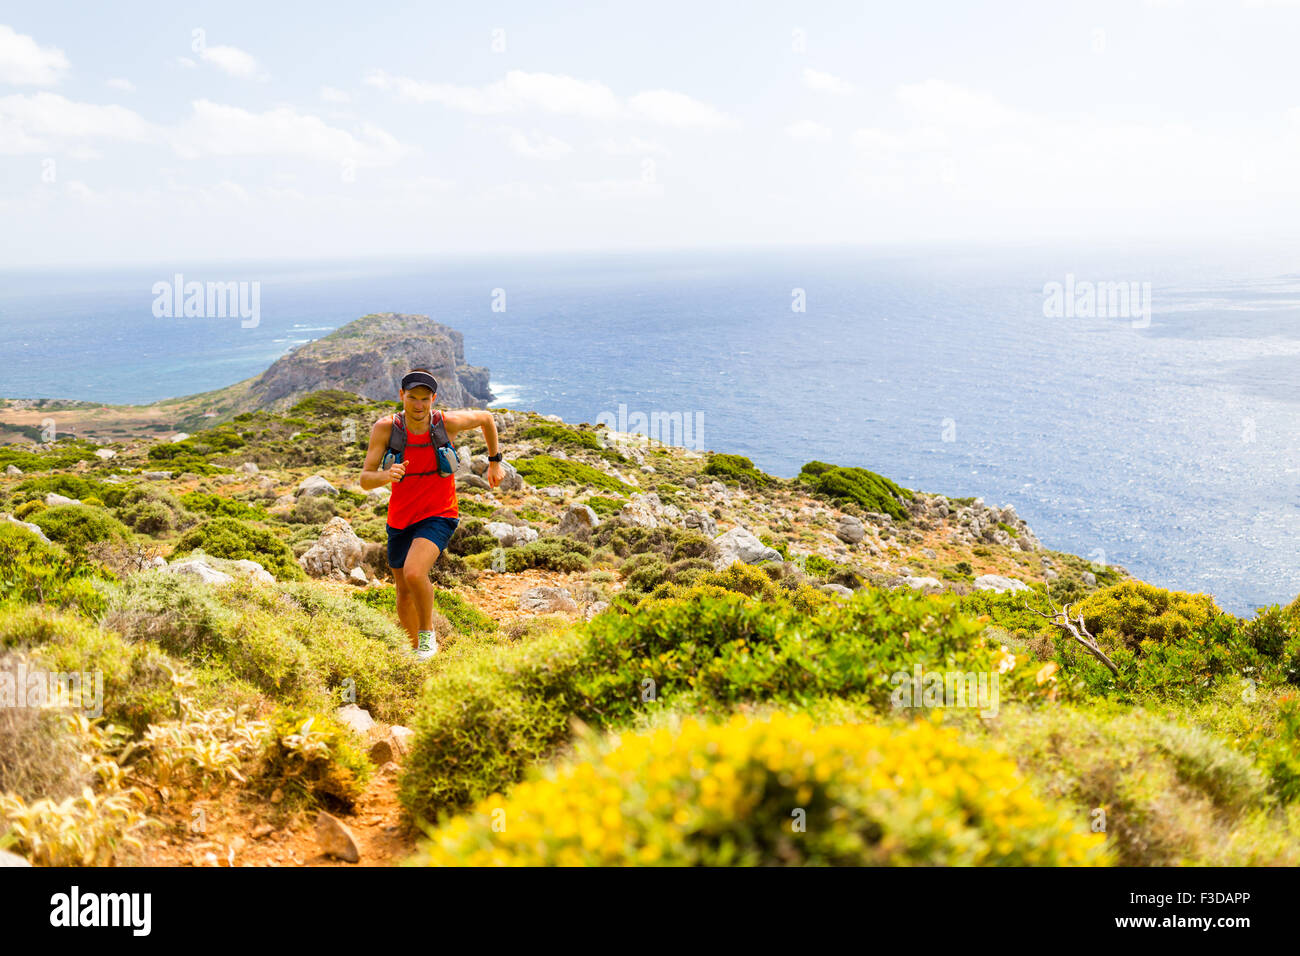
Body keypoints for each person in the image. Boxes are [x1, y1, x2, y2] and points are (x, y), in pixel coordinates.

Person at [360, 368, 504, 659]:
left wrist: (494, 462)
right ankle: (414, 652)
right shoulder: (385, 429)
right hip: (400, 518)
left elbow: (487, 419)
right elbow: (365, 479)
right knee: (401, 591)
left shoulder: (445, 424)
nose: (418, 405)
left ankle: (427, 636)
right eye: (412, 397)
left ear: (433, 399)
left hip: (440, 513)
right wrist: (387, 475)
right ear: (401, 396)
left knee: (415, 573)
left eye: (425, 399)